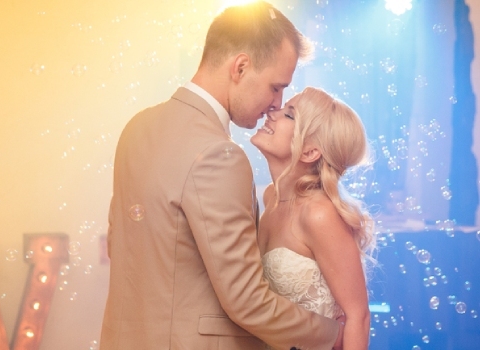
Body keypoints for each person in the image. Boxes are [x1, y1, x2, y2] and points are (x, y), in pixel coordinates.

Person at [100, 2, 344, 349]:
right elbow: (247, 300)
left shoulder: (136, 128)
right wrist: (331, 334)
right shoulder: (220, 155)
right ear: (240, 67)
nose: (278, 103)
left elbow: (122, 247)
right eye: (276, 86)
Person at [251, 87, 375, 350]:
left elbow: (358, 317)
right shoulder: (270, 197)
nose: (273, 112)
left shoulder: (319, 213)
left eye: (289, 115)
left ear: (309, 152)